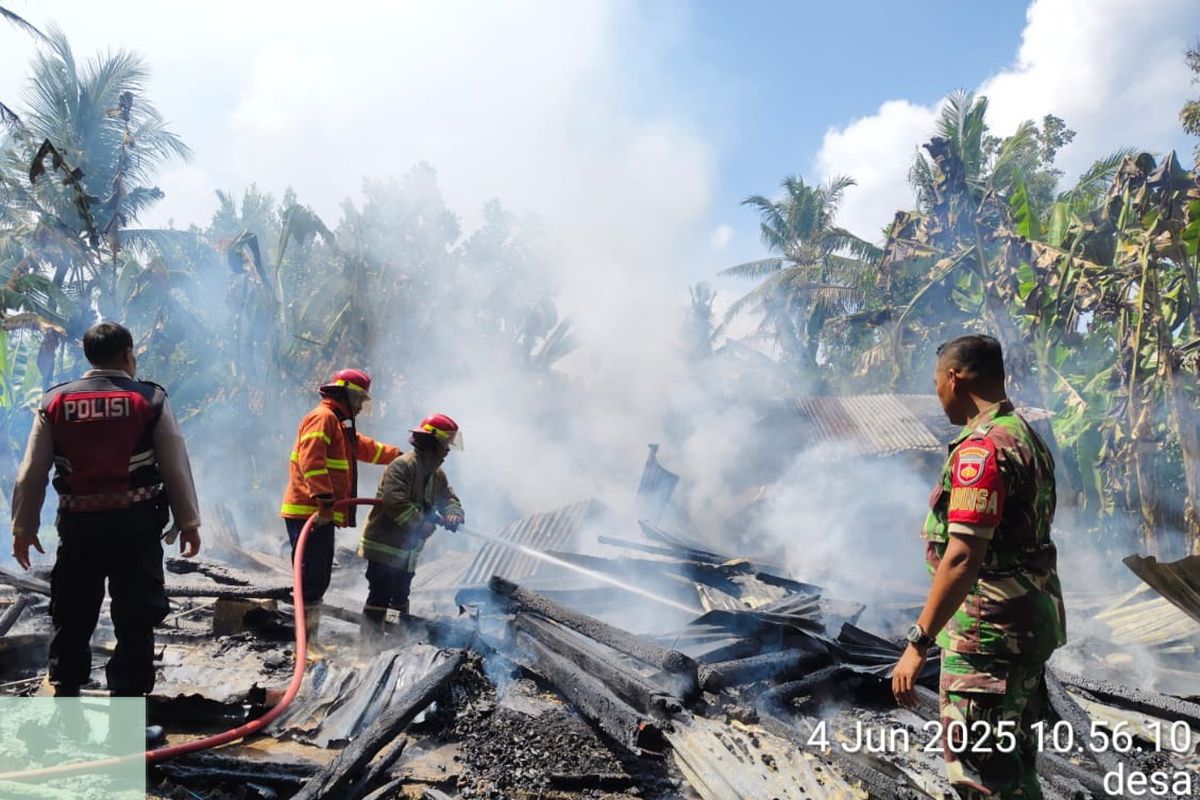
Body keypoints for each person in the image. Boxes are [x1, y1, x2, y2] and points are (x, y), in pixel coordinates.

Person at [892, 334, 1066, 799]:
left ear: (955, 377)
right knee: (1014, 771)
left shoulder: (982, 451)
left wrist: (918, 641)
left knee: (981, 778)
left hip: (986, 640)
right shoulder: (1027, 438)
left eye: (936, 383)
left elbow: (964, 554)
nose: (938, 395)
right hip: (1020, 633)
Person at [9, 321, 202, 698]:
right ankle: (126, 711)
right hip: (136, 527)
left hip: (79, 528)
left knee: (73, 611)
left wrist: (23, 528)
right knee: (135, 616)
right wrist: (189, 522)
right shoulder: (150, 400)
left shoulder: (55, 401)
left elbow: (31, 472)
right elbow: (175, 467)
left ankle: (66, 699)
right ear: (128, 354)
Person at [279, 368, 401, 656]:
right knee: (310, 578)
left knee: (319, 577)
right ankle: (305, 646)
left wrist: (398, 456)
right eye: (359, 399)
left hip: (321, 513)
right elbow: (312, 462)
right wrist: (323, 501)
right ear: (347, 394)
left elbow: (366, 449)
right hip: (308, 512)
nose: (360, 406)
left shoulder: (338, 424)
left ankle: (311, 641)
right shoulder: (322, 418)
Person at [359, 413, 464, 633]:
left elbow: (449, 499)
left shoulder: (437, 475)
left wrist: (454, 513)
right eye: (445, 445)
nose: (447, 451)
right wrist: (420, 524)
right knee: (380, 594)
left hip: (407, 551)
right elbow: (394, 501)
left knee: (401, 594)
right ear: (431, 443)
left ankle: (398, 639)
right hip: (385, 545)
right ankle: (368, 645)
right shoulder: (401, 466)